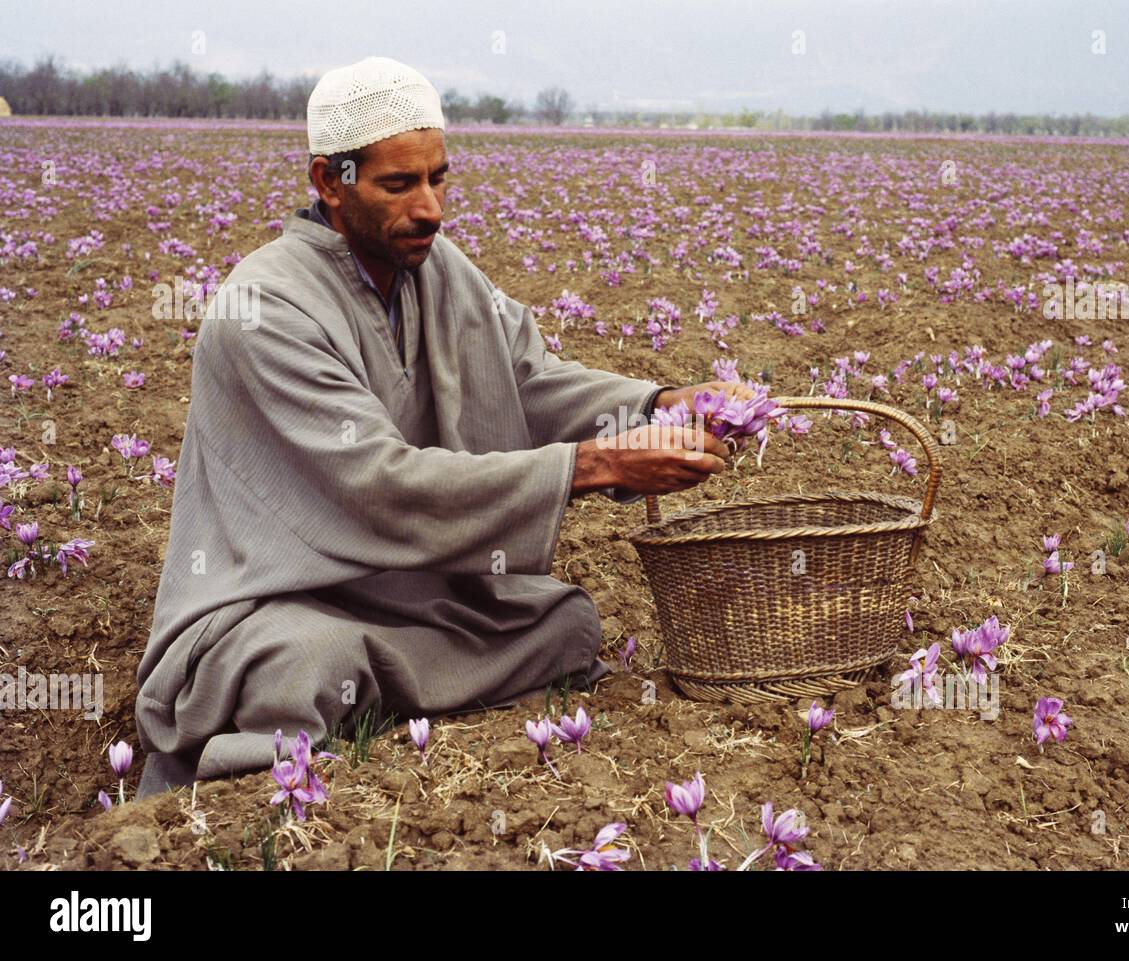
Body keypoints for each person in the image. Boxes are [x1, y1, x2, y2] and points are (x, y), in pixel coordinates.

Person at [134, 57, 751, 797]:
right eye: (400, 184)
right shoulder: (265, 310)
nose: (431, 208)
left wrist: (661, 406)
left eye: (438, 178)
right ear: (331, 182)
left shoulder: (432, 264)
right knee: (312, 665)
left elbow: (529, 379)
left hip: (403, 586)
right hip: (278, 595)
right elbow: (378, 483)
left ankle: (391, 704)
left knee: (565, 625)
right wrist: (595, 466)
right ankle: (286, 747)